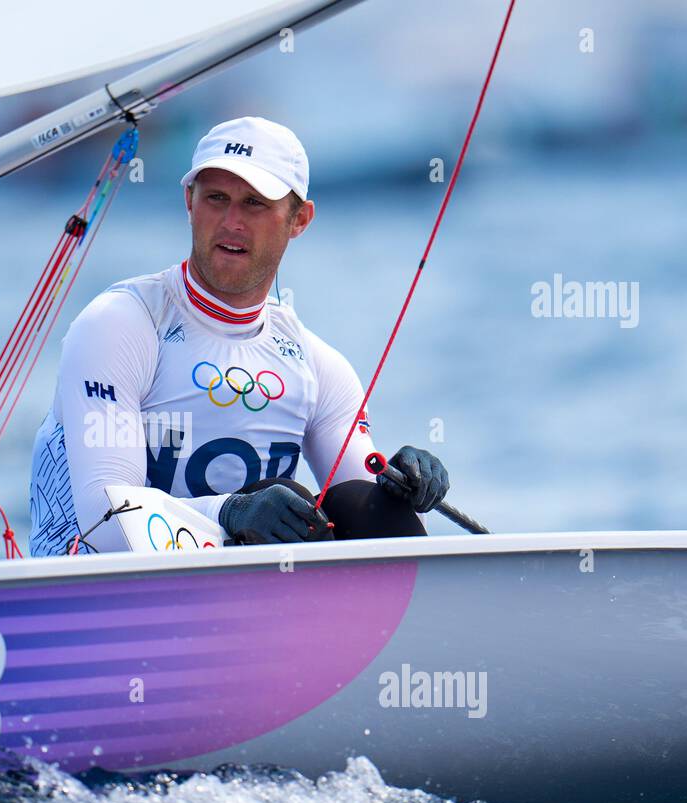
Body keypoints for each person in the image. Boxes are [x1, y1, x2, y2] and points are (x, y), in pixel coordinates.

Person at [28, 116, 449, 555]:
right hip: (96, 594)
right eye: (216, 198)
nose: (231, 221)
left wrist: (405, 487)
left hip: (231, 599)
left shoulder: (319, 367)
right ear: (189, 202)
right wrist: (231, 512)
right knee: (285, 497)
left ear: (299, 219)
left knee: (368, 507)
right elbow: (105, 522)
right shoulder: (118, 326)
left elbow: (369, 513)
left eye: (254, 203)